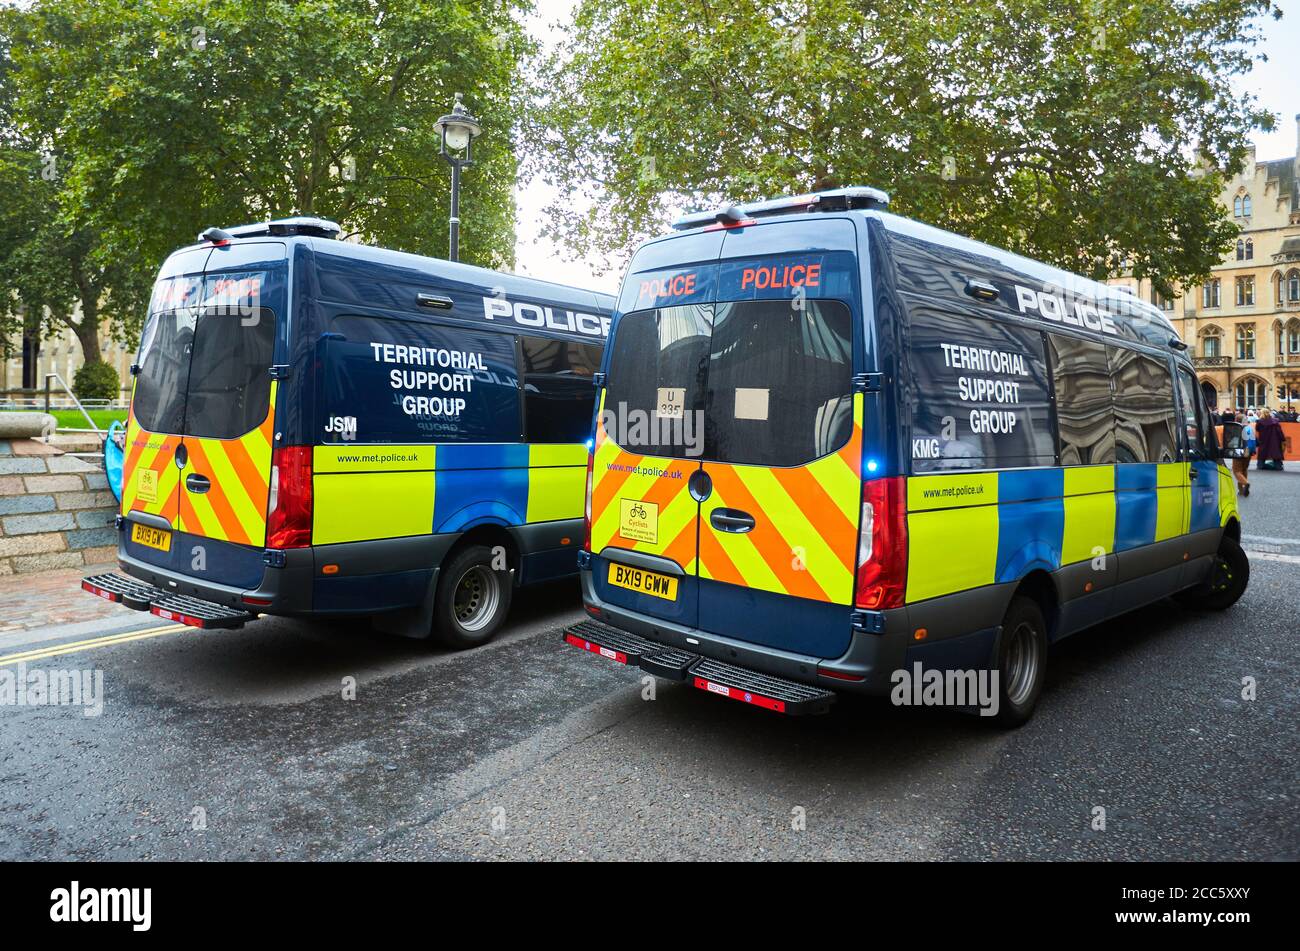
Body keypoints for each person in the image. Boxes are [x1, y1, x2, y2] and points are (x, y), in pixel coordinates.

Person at [1233, 413, 1253, 496]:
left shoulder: (1236, 428)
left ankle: (1246, 483)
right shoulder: (1249, 428)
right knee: (1244, 469)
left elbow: (1233, 440)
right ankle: (1241, 490)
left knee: (1237, 471)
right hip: (1248, 452)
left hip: (1239, 451)